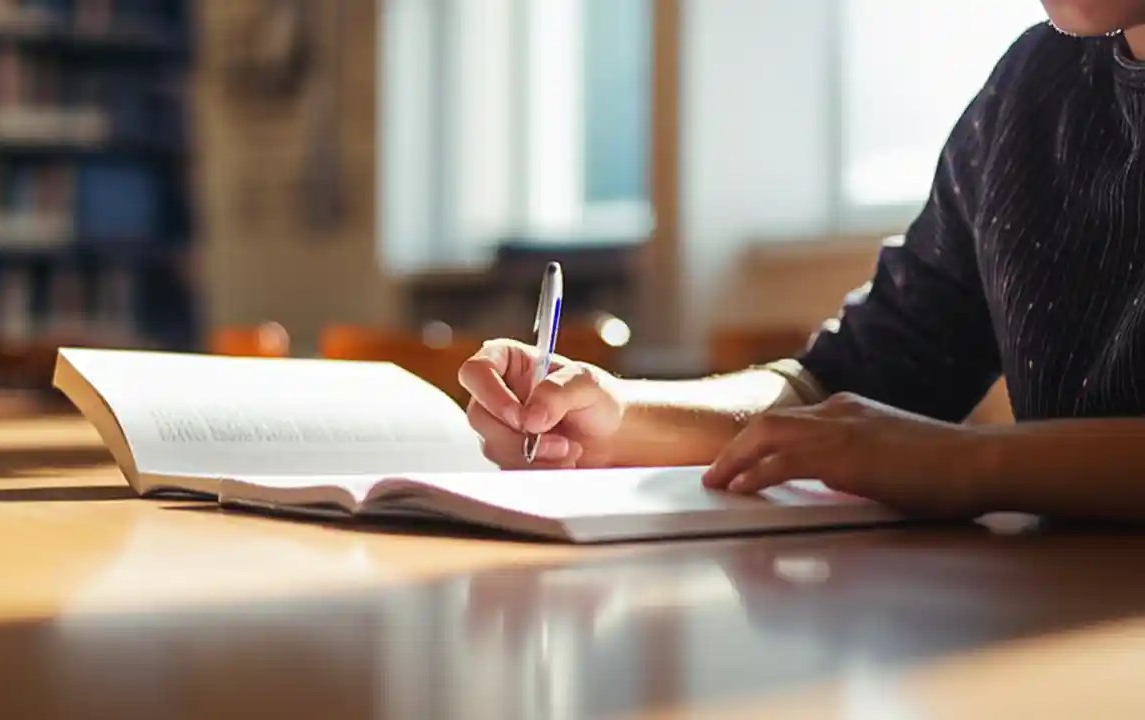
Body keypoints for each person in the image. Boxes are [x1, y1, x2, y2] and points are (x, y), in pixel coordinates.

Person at [457, 1, 1145, 520]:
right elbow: (848, 381)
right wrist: (621, 415)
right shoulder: (1033, 89)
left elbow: (899, 440)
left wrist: (961, 463)